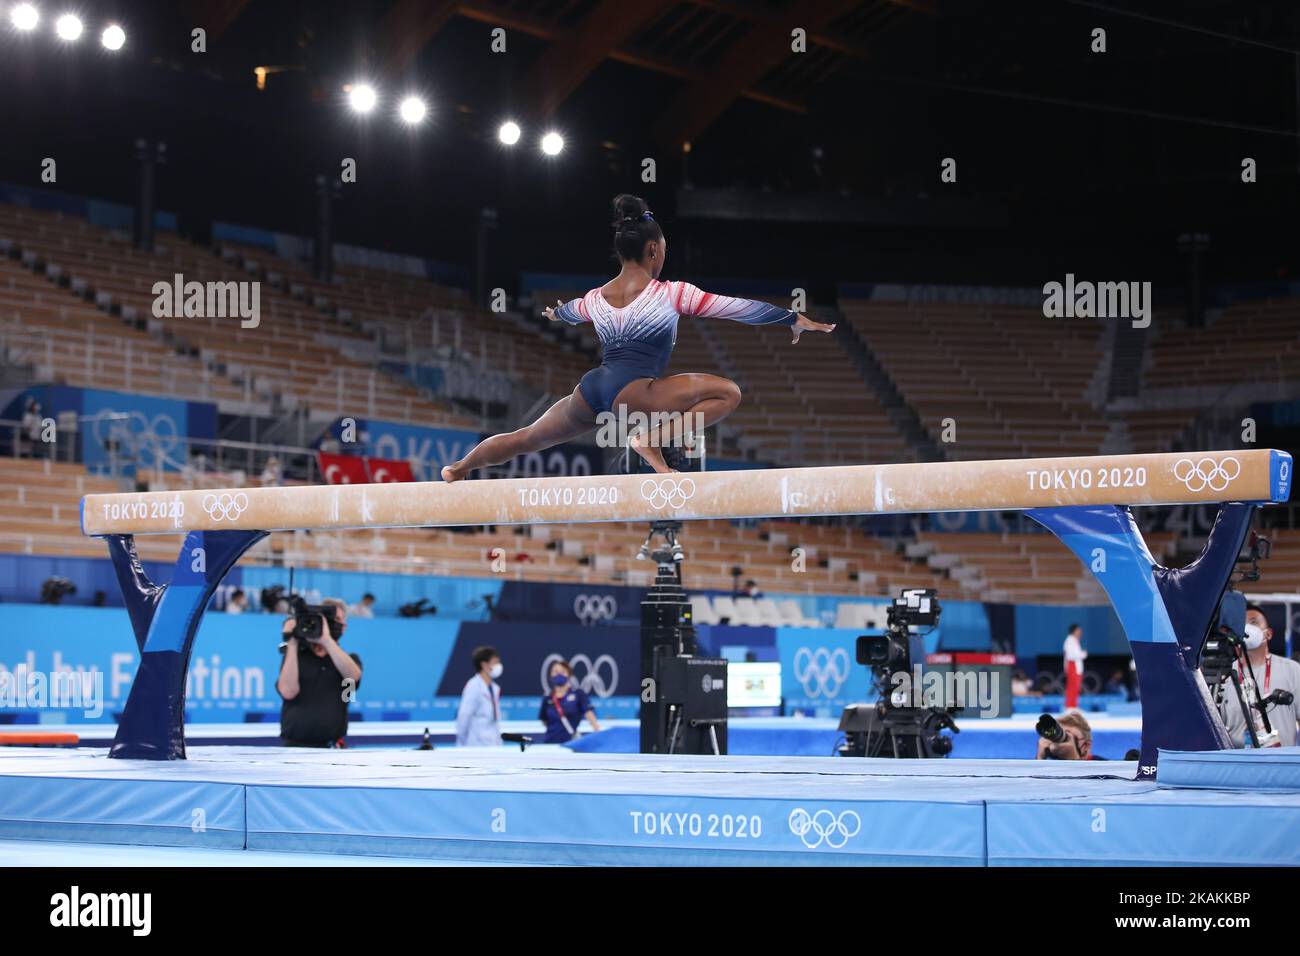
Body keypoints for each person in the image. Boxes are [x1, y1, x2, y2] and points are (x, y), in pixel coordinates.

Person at [440, 193, 835, 481]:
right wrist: (789, 318)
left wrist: (553, 312)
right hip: (635, 391)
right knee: (728, 393)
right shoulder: (671, 292)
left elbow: (570, 312)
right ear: (652, 249)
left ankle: (457, 469)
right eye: (662, 249)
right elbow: (737, 308)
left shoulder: (595, 298)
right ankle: (651, 440)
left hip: (592, 389)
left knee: (525, 439)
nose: (663, 255)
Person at [275, 599, 363, 747]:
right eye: (330, 620)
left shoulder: (351, 659)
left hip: (334, 746)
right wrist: (292, 640)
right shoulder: (296, 657)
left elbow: (351, 683)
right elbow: (288, 692)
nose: (332, 624)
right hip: (295, 747)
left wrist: (327, 640)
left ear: (344, 627)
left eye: (338, 620)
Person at [1217, 603, 1300, 748]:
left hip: (1281, 764)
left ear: (1268, 634)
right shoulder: (1224, 673)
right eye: (1242, 624)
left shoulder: (1291, 669)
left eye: (1253, 622)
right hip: (1237, 764)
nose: (1247, 628)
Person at [539, 659, 601, 743]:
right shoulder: (547, 698)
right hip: (549, 744)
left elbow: (588, 713)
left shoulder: (578, 695)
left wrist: (598, 732)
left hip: (570, 744)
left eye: (562, 671)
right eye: (555, 671)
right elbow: (544, 721)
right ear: (551, 675)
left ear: (569, 674)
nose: (559, 674)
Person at [456, 646, 503, 747]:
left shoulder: (494, 688)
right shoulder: (473, 686)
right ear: (484, 665)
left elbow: (494, 721)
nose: (499, 666)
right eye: (495, 662)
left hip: (493, 744)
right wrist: (463, 744)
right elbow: (464, 717)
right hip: (475, 745)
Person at [1062, 623, 1086, 710]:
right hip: (1072, 666)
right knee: (1072, 687)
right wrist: (1082, 654)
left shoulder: (1074, 640)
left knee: (1076, 687)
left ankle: (1073, 705)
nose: (1080, 632)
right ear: (1074, 631)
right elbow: (1070, 655)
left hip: (1075, 666)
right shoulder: (1070, 640)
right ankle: (1070, 706)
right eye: (1079, 630)